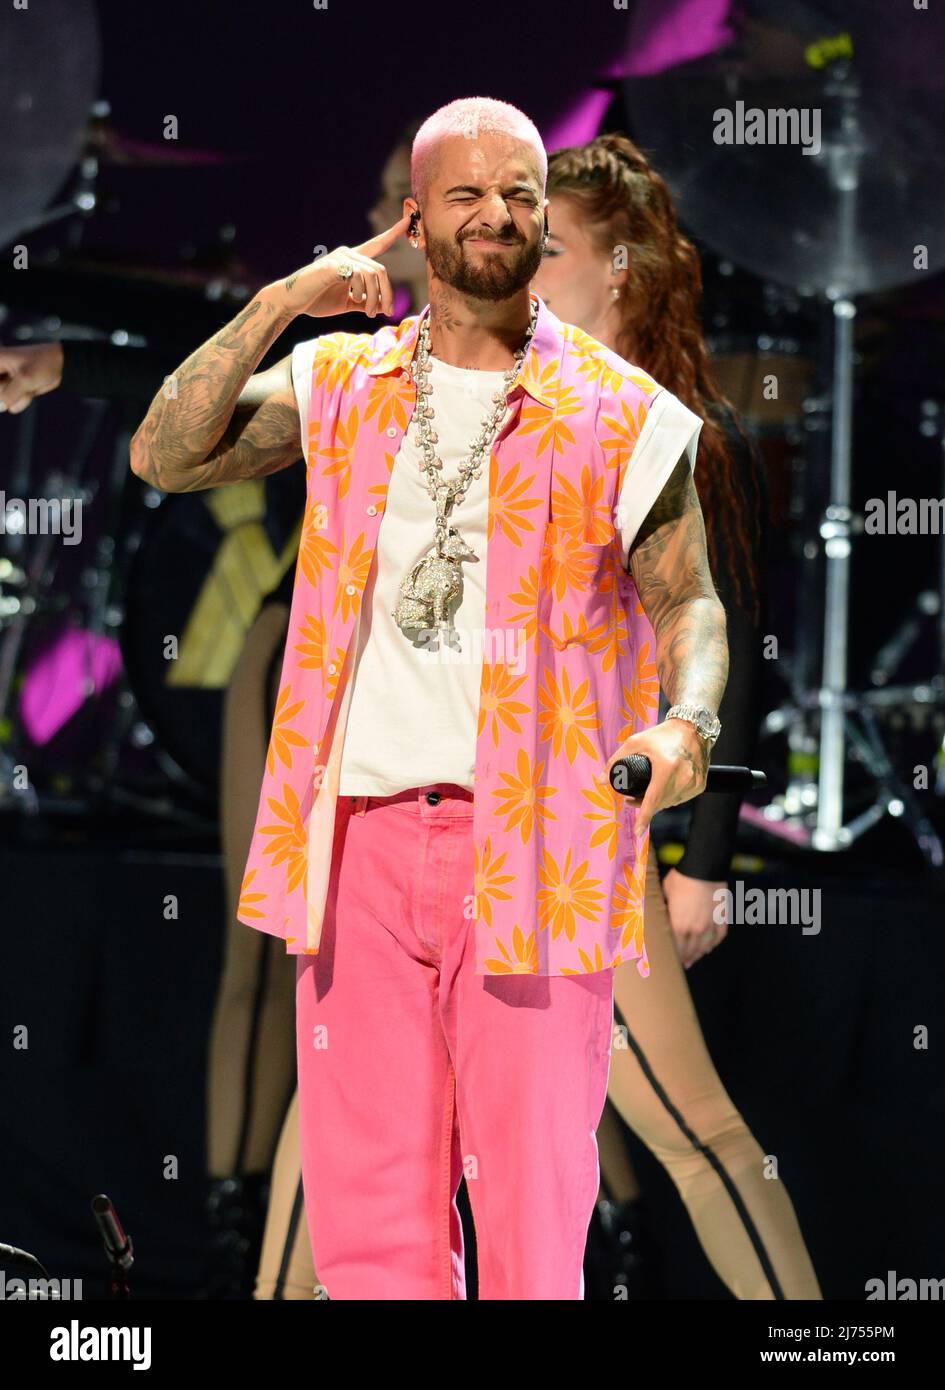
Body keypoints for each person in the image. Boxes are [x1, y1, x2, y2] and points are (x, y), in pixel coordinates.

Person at [130, 95, 726, 1301]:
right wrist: (288, 297)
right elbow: (164, 452)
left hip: (540, 846)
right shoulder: (342, 380)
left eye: (521, 193)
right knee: (371, 1246)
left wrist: (689, 721)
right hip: (356, 852)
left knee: (529, 1236)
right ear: (416, 217)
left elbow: (692, 603)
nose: (500, 214)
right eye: (467, 193)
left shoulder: (618, 409)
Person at [531, 132, 822, 1299]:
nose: (522, 265)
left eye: (549, 247)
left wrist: (703, 862)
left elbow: (733, 650)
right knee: (382, 1111)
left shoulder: (672, 426)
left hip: (591, 824)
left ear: (624, 271)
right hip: (484, 808)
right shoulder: (523, 403)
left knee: (695, 1127)